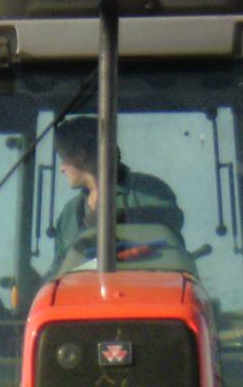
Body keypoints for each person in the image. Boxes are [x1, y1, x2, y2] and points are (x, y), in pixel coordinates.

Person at [44, 116, 194, 276]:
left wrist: (113, 218)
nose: (61, 168)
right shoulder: (69, 215)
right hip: (79, 292)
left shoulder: (147, 191)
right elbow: (57, 272)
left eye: (63, 159)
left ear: (80, 155)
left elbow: (169, 226)